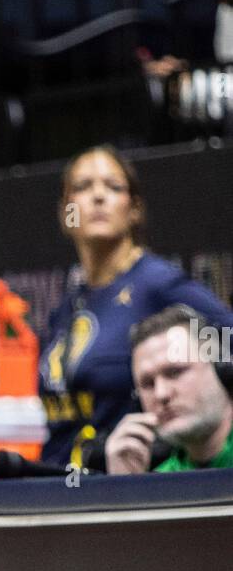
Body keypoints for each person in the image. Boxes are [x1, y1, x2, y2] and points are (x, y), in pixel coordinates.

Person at [38, 144, 233, 467]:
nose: (98, 197)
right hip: (60, 483)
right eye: (83, 187)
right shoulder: (67, 306)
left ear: (135, 209)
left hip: (132, 482)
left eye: (113, 187)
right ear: (65, 213)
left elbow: (227, 347)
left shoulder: (158, 284)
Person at [105, 305, 233, 474]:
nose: (161, 394)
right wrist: (125, 490)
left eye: (175, 372)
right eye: (148, 383)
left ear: (222, 370)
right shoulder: (157, 483)